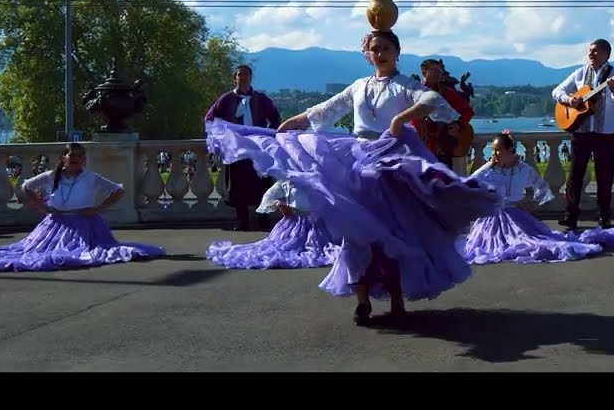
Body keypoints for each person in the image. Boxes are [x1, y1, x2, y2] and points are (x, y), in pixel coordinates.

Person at [205, 29, 500, 327]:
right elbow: (328, 109)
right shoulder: (359, 86)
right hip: (358, 160)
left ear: (397, 52)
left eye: (385, 48)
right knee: (356, 235)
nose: (379, 53)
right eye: (374, 49)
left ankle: (397, 301)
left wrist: (399, 119)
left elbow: (432, 99)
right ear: (368, 54)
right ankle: (362, 301)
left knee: (392, 235)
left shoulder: (405, 85)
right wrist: (294, 122)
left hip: (390, 164)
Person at [0, 143, 164, 272]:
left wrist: (97, 209)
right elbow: (26, 186)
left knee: (86, 251)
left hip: (86, 223)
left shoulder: (90, 177)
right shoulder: (50, 176)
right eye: (71, 155)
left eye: (80, 156)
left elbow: (118, 190)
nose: (75, 158)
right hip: (56, 223)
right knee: (36, 251)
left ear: (84, 160)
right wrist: (43, 207)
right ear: (63, 157)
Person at [460, 131, 604, 264]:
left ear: (510, 150)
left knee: (532, 242)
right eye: (493, 150)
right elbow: (468, 184)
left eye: (498, 150)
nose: (494, 153)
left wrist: (532, 203)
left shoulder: (523, 169)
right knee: (493, 245)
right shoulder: (489, 170)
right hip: (492, 220)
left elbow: (543, 187)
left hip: (517, 215)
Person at [551, 38, 614, 231]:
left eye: (594, 51)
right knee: (575, 176)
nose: (590, 54)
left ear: (605, 54)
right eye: (590, 51)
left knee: (605, 176)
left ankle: (603, 216)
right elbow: (556, 91)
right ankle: (570, 215)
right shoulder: (580, 72)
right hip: (582, 132)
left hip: (606, 133)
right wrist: (570, 100)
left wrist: (613, 89)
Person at [205, 65, 282, 231]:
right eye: (240, 74)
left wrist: (267, 135)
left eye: (246, 74)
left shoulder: (261, 99)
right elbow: (210, 118)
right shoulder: (226, 99)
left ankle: (263, 218)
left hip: (257, 149)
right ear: (235, 78)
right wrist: (220, 137)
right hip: (236, 151)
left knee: (261, 183)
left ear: (251, 77)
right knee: (238, 184)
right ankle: (242, 220)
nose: (243, 77)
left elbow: (275, 118)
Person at [205, 179, 340, 270]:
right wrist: (280, 205)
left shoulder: (319, 178)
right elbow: (270, 196)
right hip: (295, 226)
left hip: (316, 224)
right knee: (280, 248)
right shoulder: (289, 180)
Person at [410, 58, 475, 171]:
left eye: (440, 71)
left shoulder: (446, 92)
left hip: (443, 146)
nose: (439, 74)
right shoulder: (413, 92)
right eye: (434, 70)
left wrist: (458, 125)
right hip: (418, 146)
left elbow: (468, 112)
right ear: (424, 72)